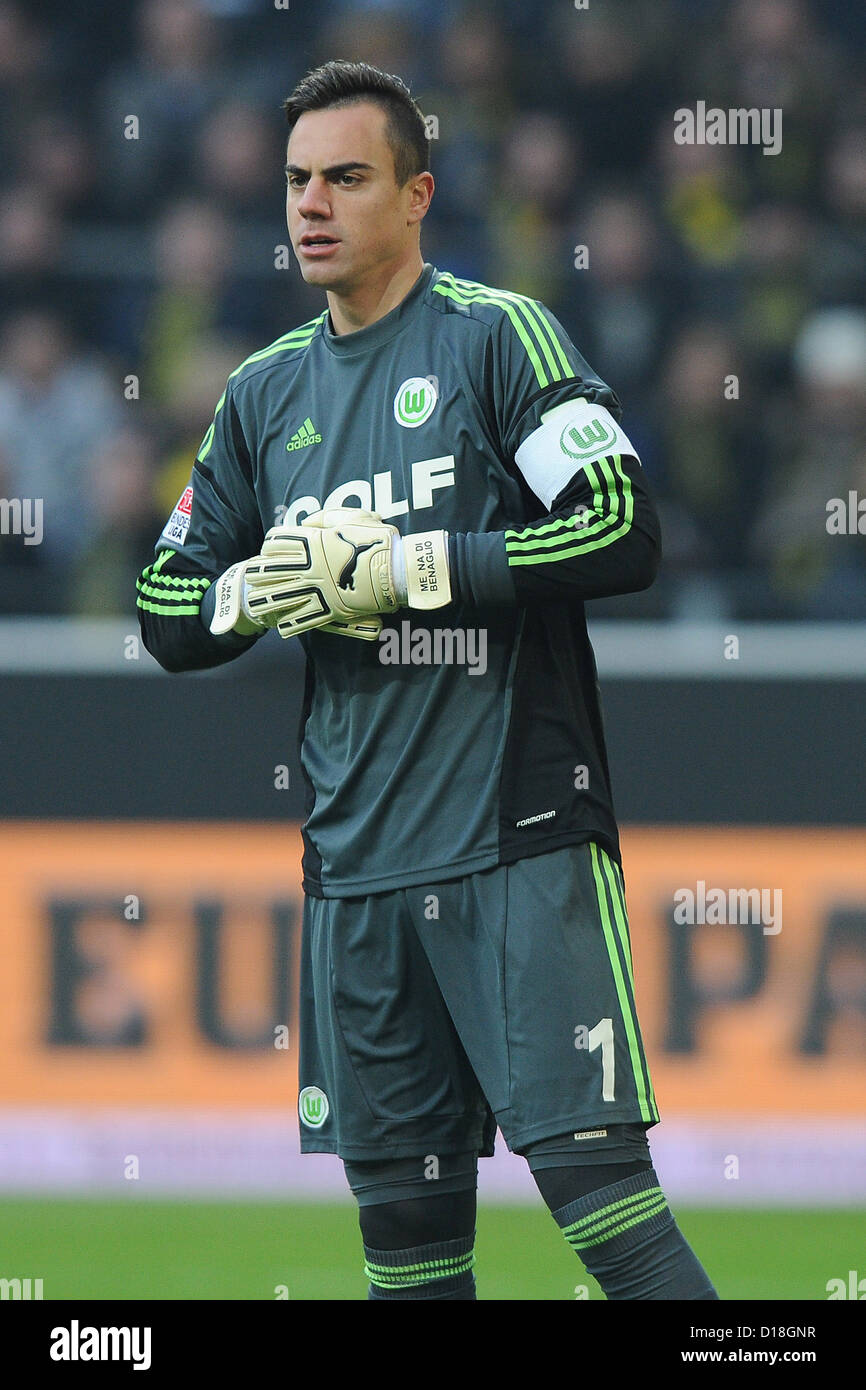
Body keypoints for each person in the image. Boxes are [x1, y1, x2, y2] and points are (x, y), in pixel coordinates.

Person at [137, 59, 718, 1302]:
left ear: (416, 197)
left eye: (347, 177)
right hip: (355, 877)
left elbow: (620, 526)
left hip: (515, 847)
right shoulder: (260, 395)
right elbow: (164, 607)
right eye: (296, 180)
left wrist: (414, 565)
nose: (311, 204)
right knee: (408, 1264)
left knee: (611, 1223)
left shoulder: (495, 337)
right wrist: (251, 591)